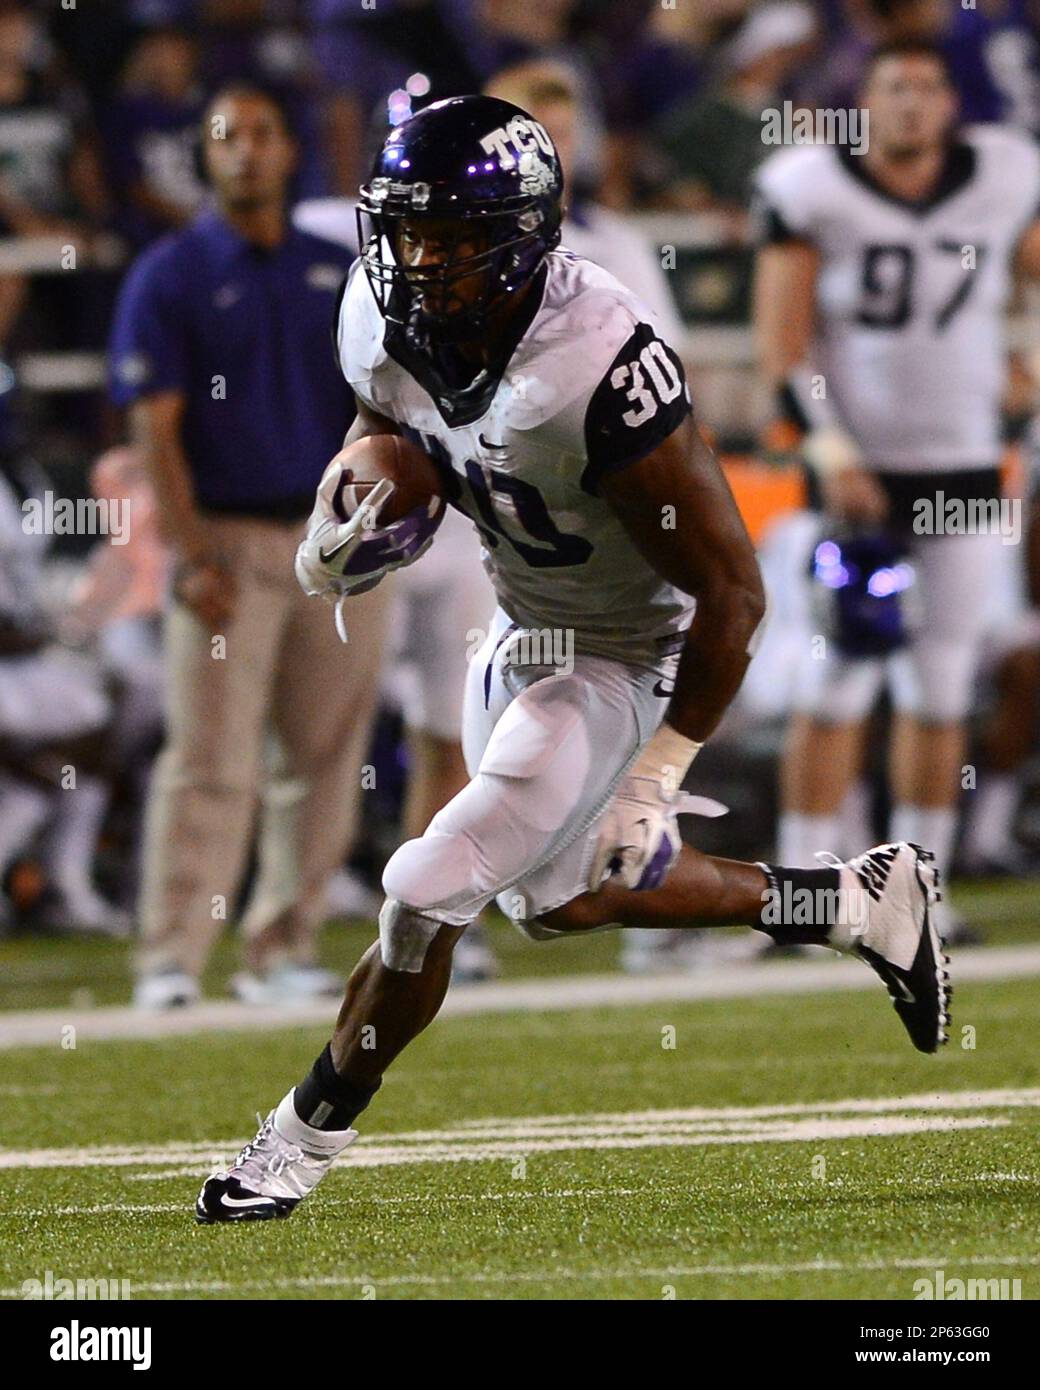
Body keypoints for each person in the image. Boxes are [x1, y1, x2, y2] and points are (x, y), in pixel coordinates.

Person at [197, 95, 949, 1224]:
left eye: (453, 236)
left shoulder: (597, 365)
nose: (420, 260)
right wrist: (353, 500)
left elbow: (733, 596)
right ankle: (857, 902)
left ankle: (294, 1140)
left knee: (424, 886)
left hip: (626, 650)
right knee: (557, 904)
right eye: (407, 229)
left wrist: (657, 777)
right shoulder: (377, 308)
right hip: (519, 625)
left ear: (519, 240)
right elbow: (381, 422)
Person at [109, 83, 389, 1010]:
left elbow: (384, 401)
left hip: (334, 540)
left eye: (263, 132)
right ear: (207, 153)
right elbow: (156, 428)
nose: (247, 151)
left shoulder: (337, 266)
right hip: (227, 537)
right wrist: (189, 554)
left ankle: (282, 944)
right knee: (209, 759)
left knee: (322, 755)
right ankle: (173, 956)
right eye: (227, 135)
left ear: (288, 149)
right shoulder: (174, 271)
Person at [753, 40, 1040, 934]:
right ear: (863, 103)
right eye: (893, 87)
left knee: (941, 682)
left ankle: (919, 893)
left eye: (927, 86)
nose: (912, 103)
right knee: (837, 677)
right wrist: (831, 448)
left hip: (961, 463)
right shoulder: (812, 187)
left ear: (953, 104)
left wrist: (1023, 356)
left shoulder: (1003, 174)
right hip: (860, 479)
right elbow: (782, 341)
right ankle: (805, 887)